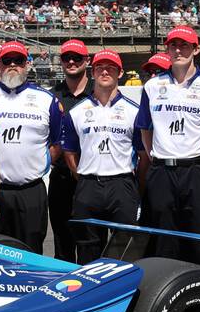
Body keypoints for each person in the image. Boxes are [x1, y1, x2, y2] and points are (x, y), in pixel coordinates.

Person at [134, 26, 200, 271]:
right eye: (173, 45)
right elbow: (145, 128)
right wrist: (159, 156)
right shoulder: (153, 86)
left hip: (196, 170)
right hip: (162, 171)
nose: (178, 50)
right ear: (167, 49)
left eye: (184, 45)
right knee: (163, 240)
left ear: (196, 49)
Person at [0, 41, 64, 253]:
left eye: (19, 60)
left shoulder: (46, 99)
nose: (13, 65)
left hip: (30, 191)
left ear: (27, 64)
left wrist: (41, 162)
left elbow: (58, 141)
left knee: (31, 251)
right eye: (7, 61)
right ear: (0, 65)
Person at [59, 51, 141, 264]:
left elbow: (143, 155)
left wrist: (132, 184)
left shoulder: (134, 111)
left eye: (111, 68)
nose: (105, 71)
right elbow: (69, 152)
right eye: (100, 68)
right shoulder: (77, 112)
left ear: (120, 73)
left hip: (122, 184)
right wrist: (82, 178)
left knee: (125, 252)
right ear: (92, 72)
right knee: (87, 254)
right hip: (88, 185)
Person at [48, 39, 92, 262]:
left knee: (91, 245)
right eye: (67, 58)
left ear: (87, 60)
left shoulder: (99, 92)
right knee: (62, 246)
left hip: (93, 180)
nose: (72, 62)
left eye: (77, 57)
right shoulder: (51, 96)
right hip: (62, 178)